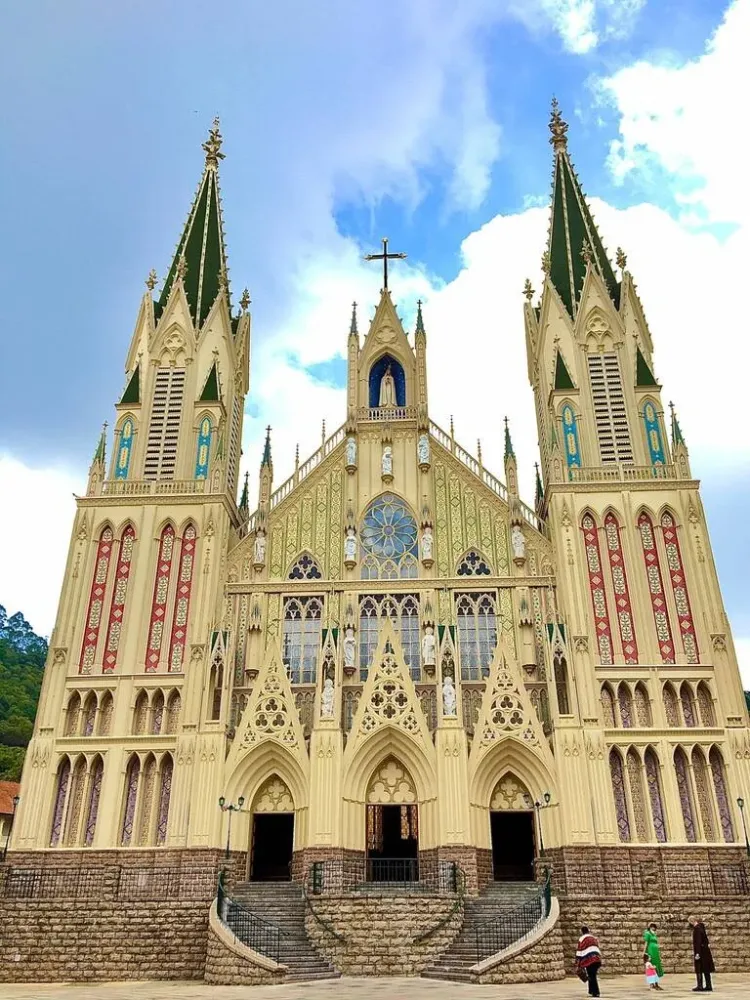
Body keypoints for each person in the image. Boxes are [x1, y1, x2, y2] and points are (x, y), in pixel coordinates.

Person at [688, 916, 715, 992]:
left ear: (692, 921)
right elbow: (706, 940)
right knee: (706, 969)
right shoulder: (702, 927)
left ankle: (700, 986)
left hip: (700, 952)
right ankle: (709, 985)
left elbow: (698, 942)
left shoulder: (696, 929)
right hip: (706, 951)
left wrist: (697, 953)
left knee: (699, 969)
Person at [576, 926, 602, 998]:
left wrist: (578, 964)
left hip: (589, 960)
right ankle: (591, 990)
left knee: (592, 976)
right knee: (592, 975)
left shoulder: (581, 939)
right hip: (597, 959)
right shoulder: (593, 938)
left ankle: (596, 992)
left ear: (582, 932)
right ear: (588, 931)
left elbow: (579, 952)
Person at [643, 923, 664, 990]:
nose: (653, 928)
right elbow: (646, 943)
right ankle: (652, 984)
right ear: (649, 927)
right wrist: (644, 952)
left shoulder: (654, 934)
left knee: (657, 966)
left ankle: (656, 983)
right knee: (651, 966)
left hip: (655, 952)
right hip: (650, 950)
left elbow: (656, 943)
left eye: (654, 927)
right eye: (652, 927)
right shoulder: (647, 933)